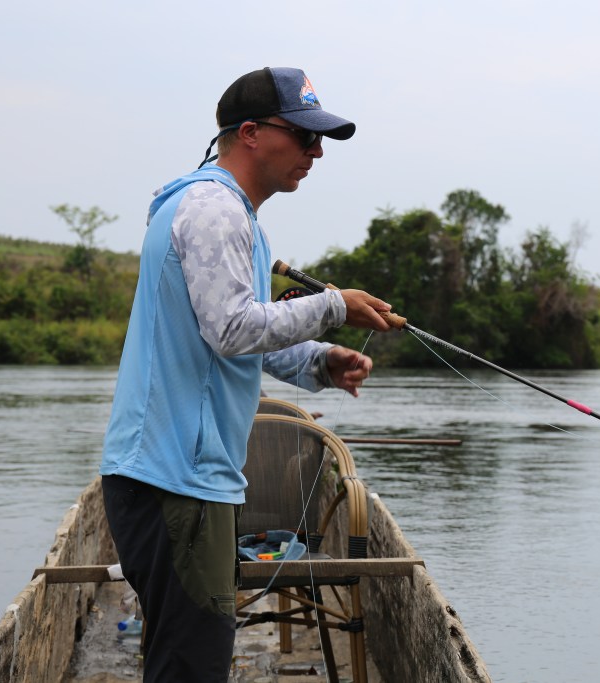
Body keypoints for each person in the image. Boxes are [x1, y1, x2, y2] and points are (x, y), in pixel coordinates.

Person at [99, 66, 392, 682]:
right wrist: (335, 304)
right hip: (173, 479)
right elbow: (231, 328)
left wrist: (318, 359)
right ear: (252, 133)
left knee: (187, 655)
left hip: (185, 477)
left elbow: (230, 342)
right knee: (191, 666)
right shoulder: (213, 210)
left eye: (321, 140)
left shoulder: (235, 217)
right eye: (304, 135)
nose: (315, 152)